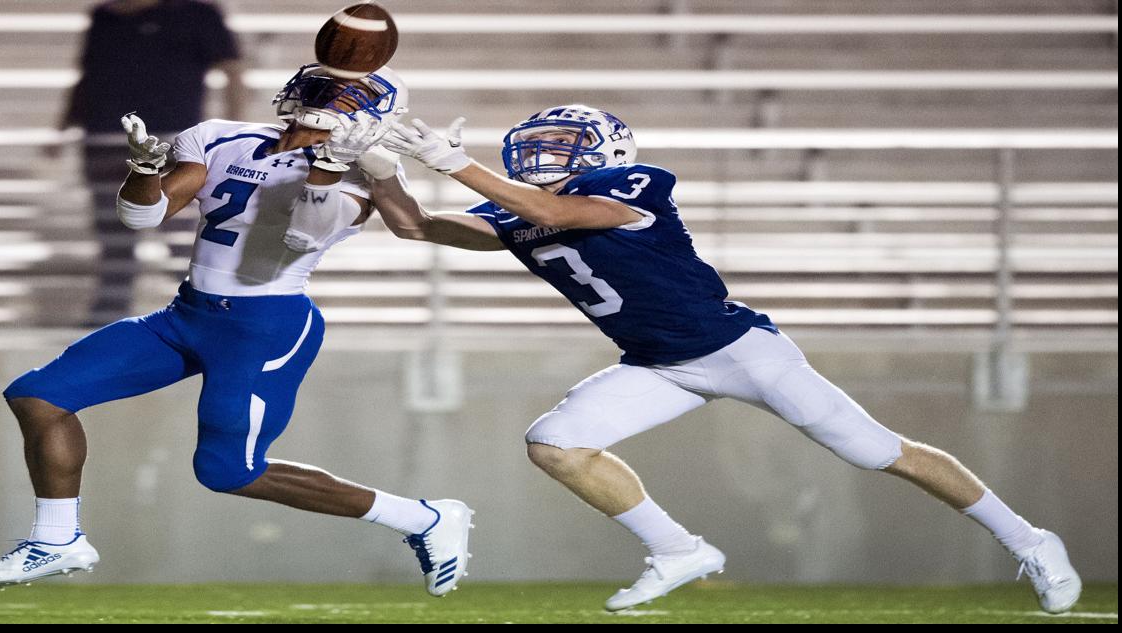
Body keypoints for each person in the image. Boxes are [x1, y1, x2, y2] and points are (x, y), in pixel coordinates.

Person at [359, 105, 1081, 613]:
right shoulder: (513, 210)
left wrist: (456, 163)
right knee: (555, 443)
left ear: (607, 151)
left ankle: (1032, 539)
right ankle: (678, 550)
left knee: (877, 451)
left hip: (739, 350)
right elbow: (416, 227)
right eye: (542, 144)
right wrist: (376, 164)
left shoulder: (630, 186)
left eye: (566, 144)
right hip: (654, 361)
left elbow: (557, 215)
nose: (550, 156)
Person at [0, 65, 472, 597]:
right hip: (187, 314)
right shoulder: (221, 136)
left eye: (345, 94)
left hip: (265, 324)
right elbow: (142, 216)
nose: (326, 99)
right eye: (322, 86)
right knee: (39, 395)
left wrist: (328, 168)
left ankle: (422, 518)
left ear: (371, 116)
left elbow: (301, 237)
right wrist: (144, 167)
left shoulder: (369, 172)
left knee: (229, 471)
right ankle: (58, 539)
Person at [54, 0, 247, 325]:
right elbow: (87, 76)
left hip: (172, 144)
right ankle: (107, 316)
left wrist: (234, 132)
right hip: (104, 142)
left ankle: (207, 312)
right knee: (114, 237)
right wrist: (62, 128)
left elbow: (233, 69)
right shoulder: (105, 17)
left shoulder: (197, 13)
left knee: (183, 238)